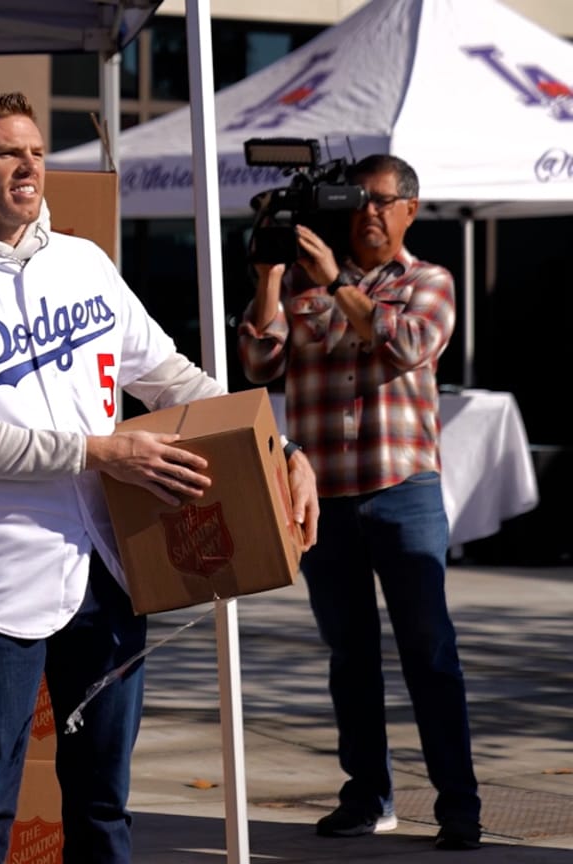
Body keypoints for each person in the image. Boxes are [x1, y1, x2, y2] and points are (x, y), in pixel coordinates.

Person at [0, 92, 319, 864]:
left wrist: (281, 449)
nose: (29, 167)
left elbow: (173, 379)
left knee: (104, 801)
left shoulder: (84, 263)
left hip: (114, 568)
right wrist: (100, 453)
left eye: (38, 152)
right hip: (0, 583)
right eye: (7, 153)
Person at [238, 154, 482, 851]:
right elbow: (259, 361)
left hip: (403, 489)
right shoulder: (306, 288)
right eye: (359, 201)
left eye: (383, 201)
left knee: (429, 653)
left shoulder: (429, 281)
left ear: (411, 207)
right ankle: (367, 796)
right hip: (326, 501)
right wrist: (269, 275)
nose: (369, 213)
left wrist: (336, 282)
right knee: (350, 656)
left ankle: (458, 804)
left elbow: (403, 343)